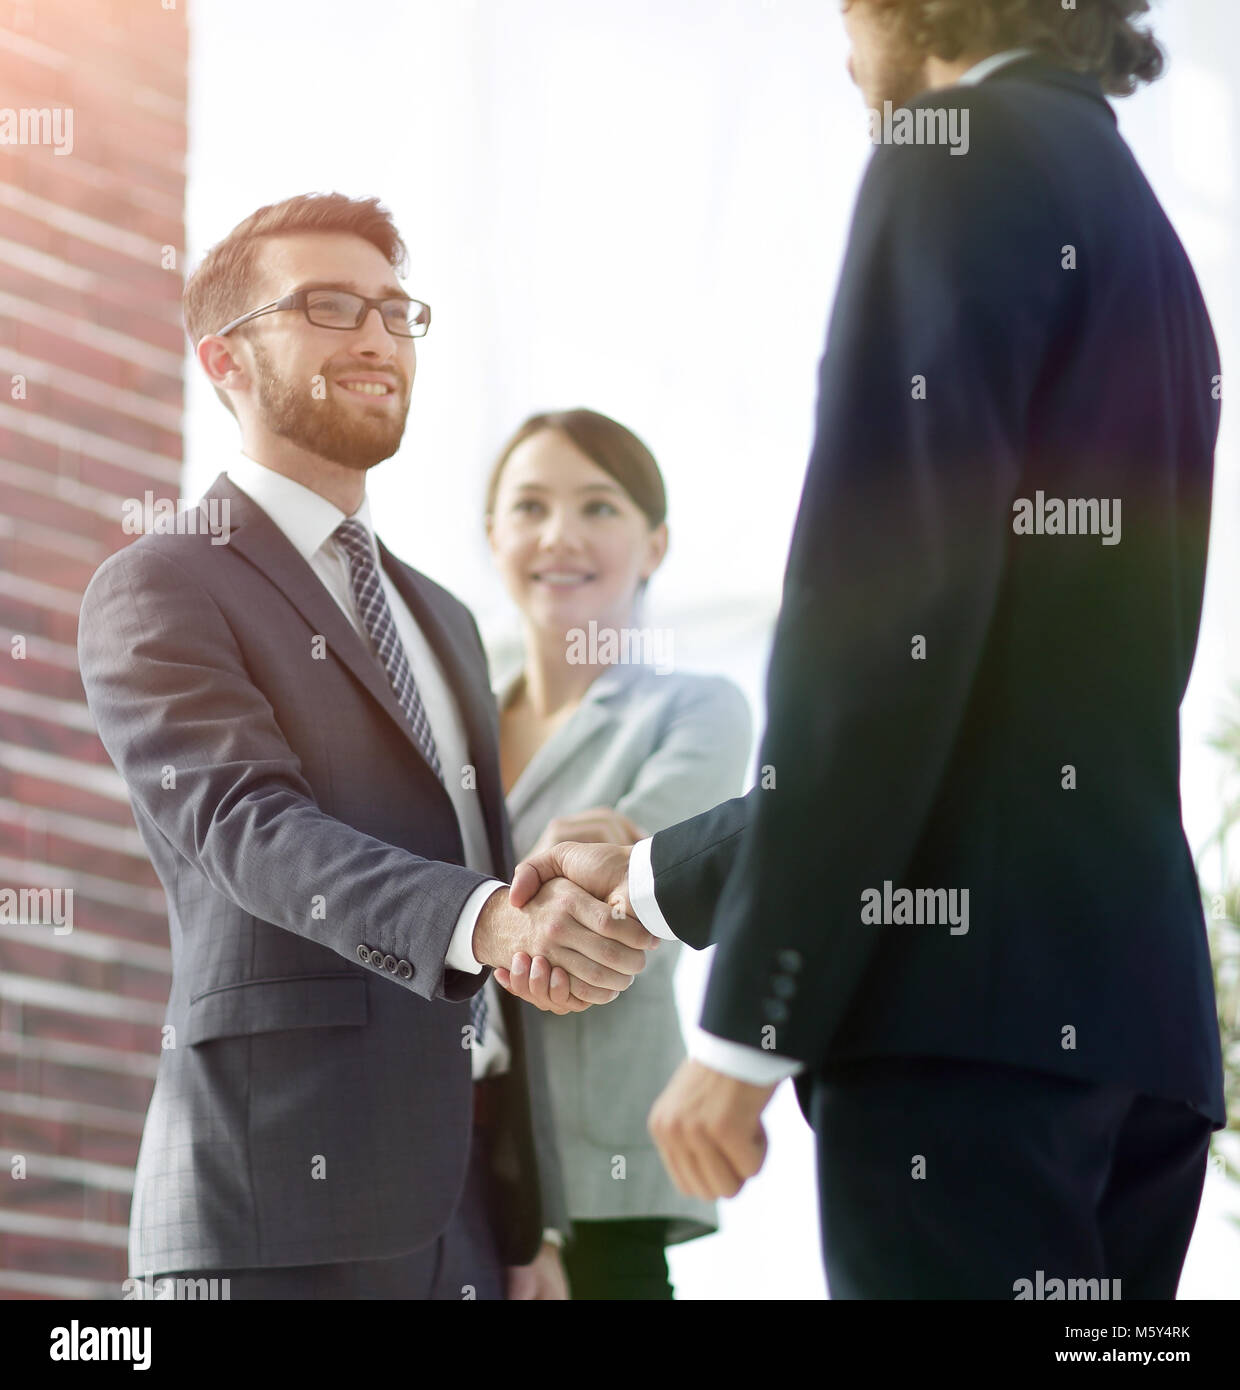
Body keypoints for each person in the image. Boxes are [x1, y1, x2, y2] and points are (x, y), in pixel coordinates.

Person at [499, 1, 1227, 1299]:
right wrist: (669, 870)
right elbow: (996, 694)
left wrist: (749, 1029)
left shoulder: (950, 150)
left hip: (962, 1031)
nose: (837, 34)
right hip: (1134, 1027)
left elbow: (882, 637)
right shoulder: (1145, 231)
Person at [77, 193, 657, 1300]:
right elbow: (250, 830)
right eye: (331, 307)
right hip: (277, 1208)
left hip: (472, 1214)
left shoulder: (441, 617)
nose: (378, 338)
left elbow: (484, 870)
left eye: (397, 312)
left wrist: (524, 1212)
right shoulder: (161, 585)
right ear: (225, 361)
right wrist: (485, 918)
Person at [485, 407, 752, 1298]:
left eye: (598, 507)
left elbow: (622, 904)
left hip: (602, 1194)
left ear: (656, 542)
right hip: (438, 1181)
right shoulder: (448, 717)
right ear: (493, 535)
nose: (560, 535)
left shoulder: (697, 711)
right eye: (529, 507)